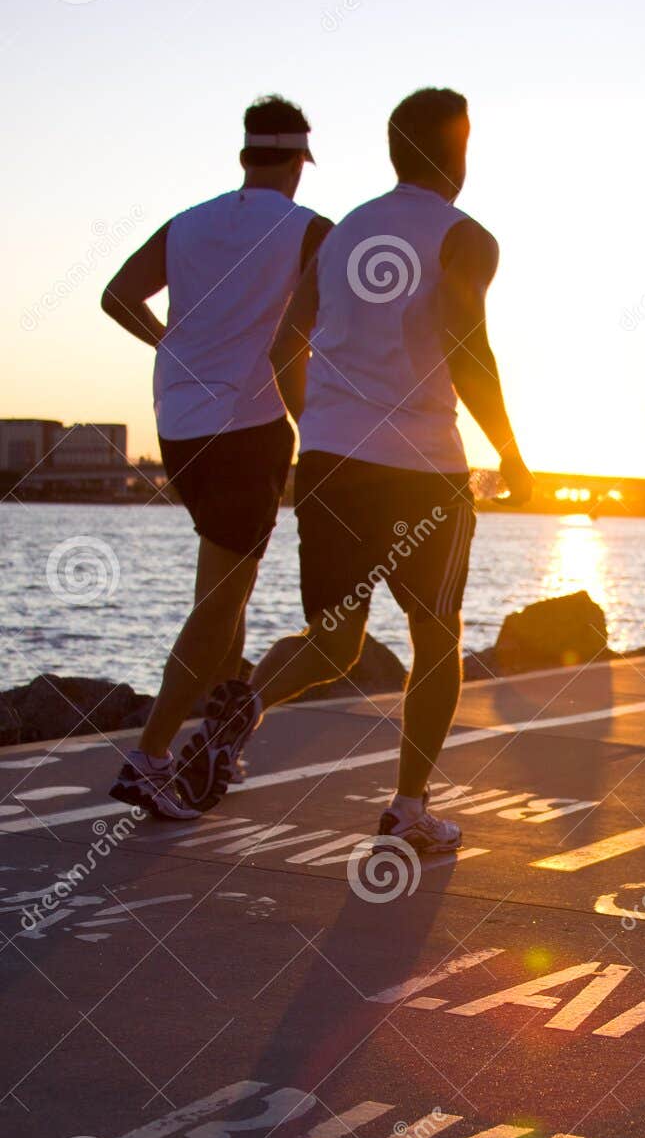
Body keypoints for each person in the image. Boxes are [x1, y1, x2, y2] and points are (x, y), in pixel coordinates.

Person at [174, 87, 533, 855]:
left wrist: (326, 432)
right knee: (436, 636)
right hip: (421, 470)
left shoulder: (342, 236)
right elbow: (469, 349)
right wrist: (510, 450)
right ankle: (408, 811)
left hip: (331, 462)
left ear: (393, 149)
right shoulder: (466, 237)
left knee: (334, 641)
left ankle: (239, 713)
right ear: (458, 151)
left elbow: (281, 347)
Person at [101, 96, 332, 818]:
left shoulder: (188, 221)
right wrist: (321, 430)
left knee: (227, 584)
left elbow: (117, 296)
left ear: (242, 156)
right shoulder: (309, 231)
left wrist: (169, 343)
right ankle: (151, 757)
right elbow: (300, 343)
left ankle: (218, 719)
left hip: (180, 425)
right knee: (220, 600)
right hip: (251, 425)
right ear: (298, 162)